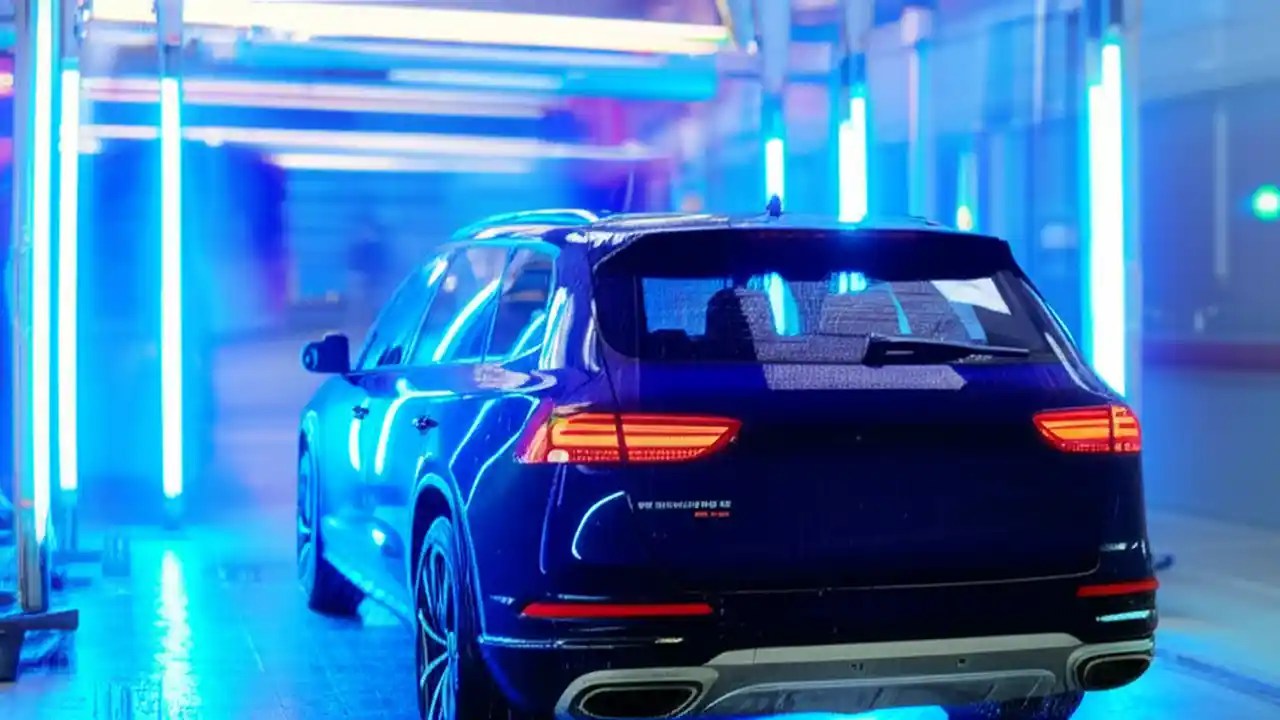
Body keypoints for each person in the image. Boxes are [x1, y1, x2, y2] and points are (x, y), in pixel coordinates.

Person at [346, 217, 392, 333]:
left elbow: (382, 264)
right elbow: (353, 263)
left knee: (373, 305)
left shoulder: (377, 247)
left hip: (375, 280)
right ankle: (359, 328)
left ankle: (371, 327)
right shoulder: (360, 246)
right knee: (360, 307)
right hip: (362, 280)